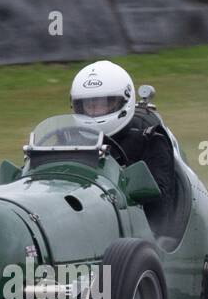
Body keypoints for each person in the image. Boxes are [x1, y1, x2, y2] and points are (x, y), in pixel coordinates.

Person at [69, 61, 177, 212]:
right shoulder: (70, 140)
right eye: (89, 105)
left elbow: (160, 208)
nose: (95, 110)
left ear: (125, 100)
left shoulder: (150, 141)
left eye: (103, 104)